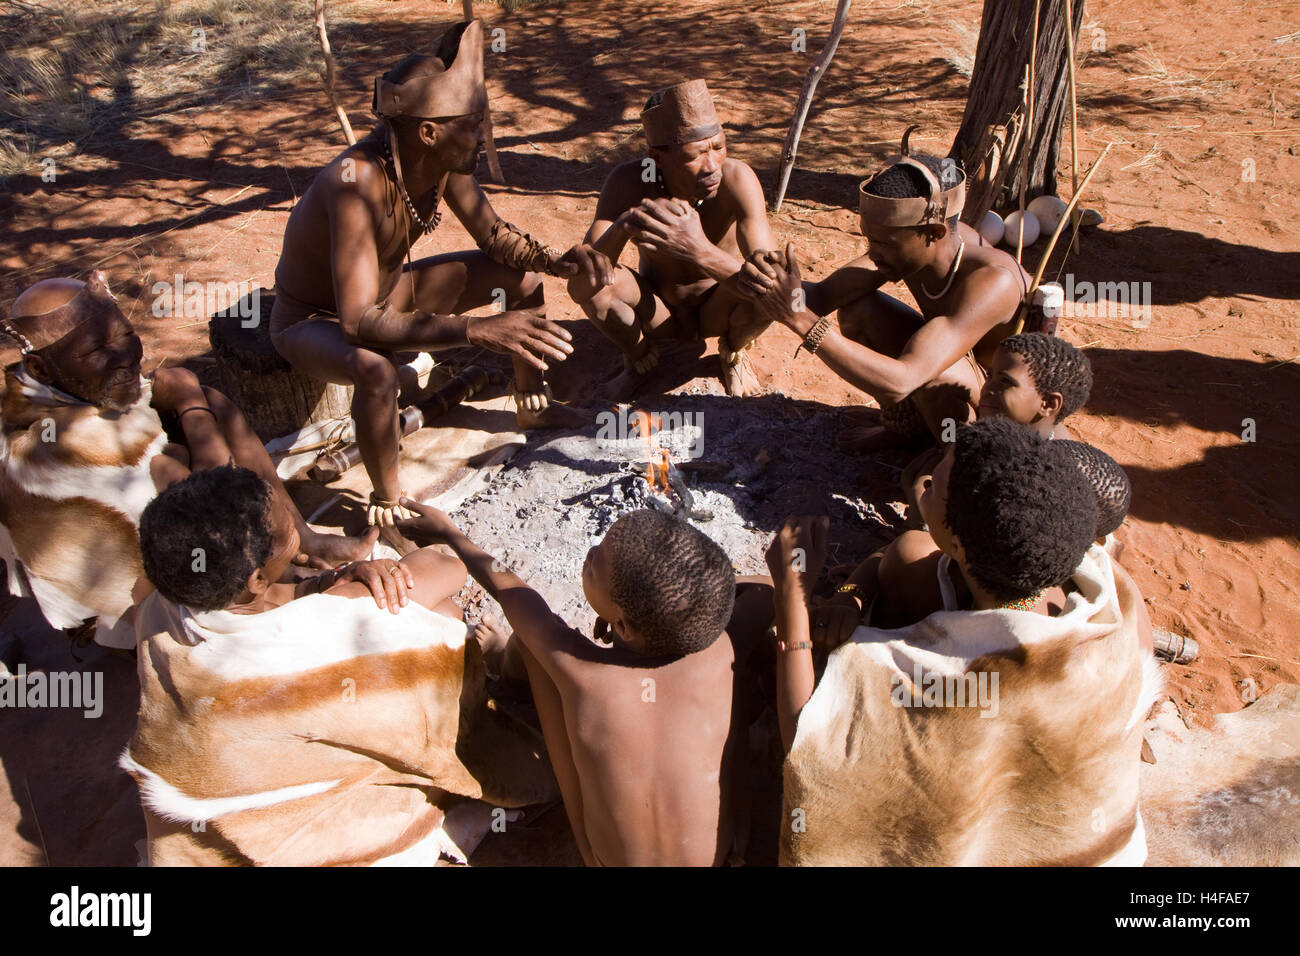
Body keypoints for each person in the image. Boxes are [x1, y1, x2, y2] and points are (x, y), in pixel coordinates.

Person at [269, 19, 611, 537]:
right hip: (315, 319)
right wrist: (475, 331)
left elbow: (494, 236)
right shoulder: (355, 181)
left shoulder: (443, 161)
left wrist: (554, 263)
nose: (483, 135)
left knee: (515, 281)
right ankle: (387, 501)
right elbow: (358, 321)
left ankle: (531, 407)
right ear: (428, 131)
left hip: (388, 294)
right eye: (473, 124)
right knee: (377, 372)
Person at [768, 419, 1160, 866]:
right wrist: (853, 592)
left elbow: (810, 750)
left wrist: (792, 599)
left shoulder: (941, 681)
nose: (928, 483)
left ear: (955, 541)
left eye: (937, 488)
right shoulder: (1106, 597)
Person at [121, 465, 557, 866]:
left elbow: (273, 601)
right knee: (443, 617)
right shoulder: (332, 621)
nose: (295, 523)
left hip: (217, 817)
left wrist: (329, 580)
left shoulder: (162, 599)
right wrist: (362, 580)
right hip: (300, 835)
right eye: (288, 528)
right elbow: (448, 568)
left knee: (419, 616)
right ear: (256, 579)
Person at [0, 273, 371, 649]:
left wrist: (196, 401)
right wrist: (186, 400)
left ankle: (301, 539)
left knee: (209, 404)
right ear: (41, 368)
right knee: (178, 449)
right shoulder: (56, 442)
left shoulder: (58, 389)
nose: (125, 356)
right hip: (141, 615)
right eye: (95, 351)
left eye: (126, 335)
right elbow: (221, 501)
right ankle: (268, 576)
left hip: (171, 546)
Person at [394, 501, 773, 866]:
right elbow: (768, 589)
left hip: (599, 861)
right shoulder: (724, 650)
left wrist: (450, 533)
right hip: (723, 860)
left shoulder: (581, 672)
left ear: (622, 625)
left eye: (595, 563)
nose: (590, 552)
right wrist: (680, 608)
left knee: (534, 643)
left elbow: (510, 588)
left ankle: (499, 656)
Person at [750, 128, 1031, 449]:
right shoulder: (910, 251)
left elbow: (903, 380)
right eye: (869, 238)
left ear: (933, 233)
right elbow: (823, 297)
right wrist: (752, 275)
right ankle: (904, 428)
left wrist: (800, 320)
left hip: (996, 404)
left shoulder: (995, 281)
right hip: (944, 357)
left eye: (883, 242)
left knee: (933, 377)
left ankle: (953, 458)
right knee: (859, 311)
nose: (873, 251)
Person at [566, 79, 780, 399]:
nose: (712, 167)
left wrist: (698, 249)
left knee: (766, 285)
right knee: (600, 286)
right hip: (659, 315)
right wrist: (626, 224)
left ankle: (733, 353)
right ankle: (640, 362)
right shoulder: (628, 183)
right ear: (657, 157)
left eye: (719, 148)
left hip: (718, 312)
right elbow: (582, 285)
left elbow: (775, 283)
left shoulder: (737, 180)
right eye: (695, 155)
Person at [900, 331, 1095, 515]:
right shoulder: (998, 433)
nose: (987, 389)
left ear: (1048, 404)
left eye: (1005, 382)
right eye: (989, 376)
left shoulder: (1040, 475)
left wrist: (925, 497)